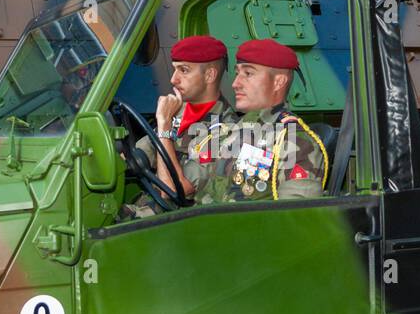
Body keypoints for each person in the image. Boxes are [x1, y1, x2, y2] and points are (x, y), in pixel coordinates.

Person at [196, 39, 328, 203]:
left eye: (248, 74)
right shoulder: (231, 130)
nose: (236, 84)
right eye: (237, 73)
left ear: (278, 82)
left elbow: (295, 219)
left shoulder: (294, 141)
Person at [132, 35, 238, 205]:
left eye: (184, 70)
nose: (173, 79)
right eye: (174, 69)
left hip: (173, 221)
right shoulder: (178, 112)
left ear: (210, 75)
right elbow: (137, 155)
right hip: (143, 206)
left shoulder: (227, 129)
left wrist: (164, 126)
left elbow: (173, 189)